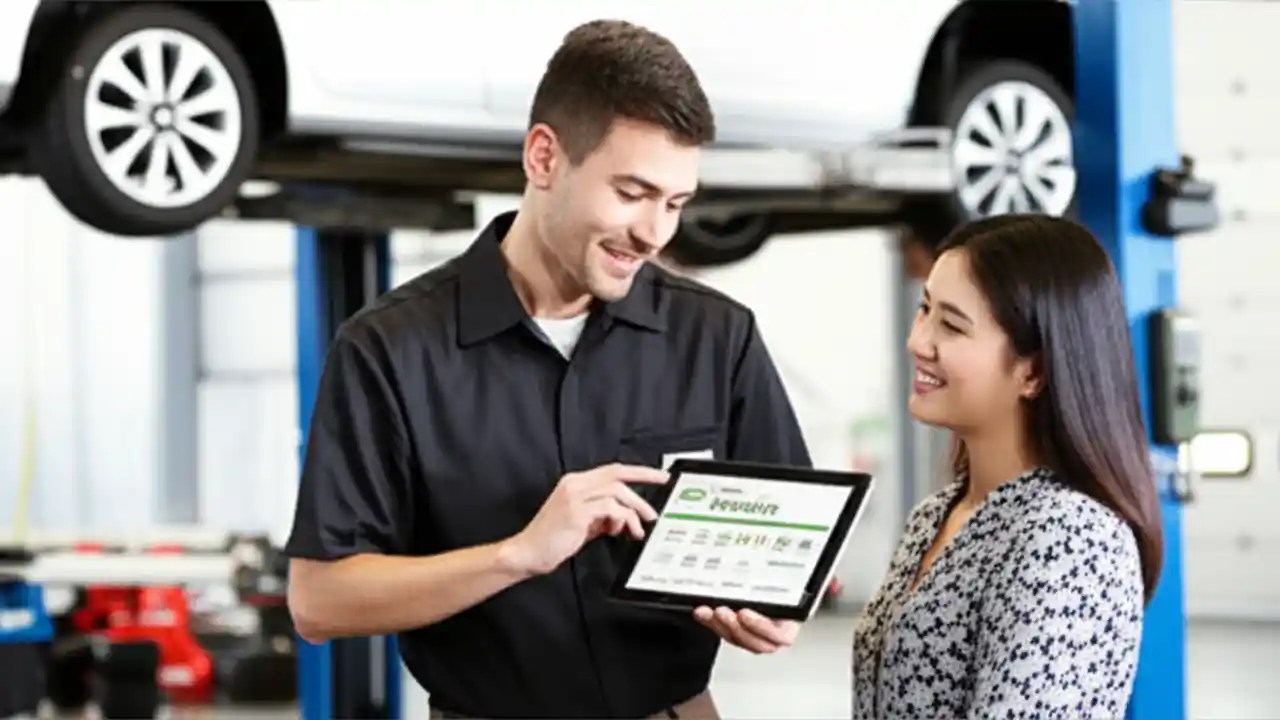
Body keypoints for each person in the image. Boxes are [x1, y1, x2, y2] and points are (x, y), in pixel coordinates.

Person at [283, 19, 811, 720]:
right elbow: (320, 600)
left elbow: (795, 549)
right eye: (631, 193)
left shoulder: (717, 337)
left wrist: (776, 611)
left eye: (675, 203)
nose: (654, 233)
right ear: (543, 158)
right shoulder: (390, 349)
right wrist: (519, 554)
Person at [852, 214, 1164, 719]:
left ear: (1033, 371)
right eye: (924, 309)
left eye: (951, 325)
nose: (918, 341)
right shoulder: (935, 516)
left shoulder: (1071, 538)